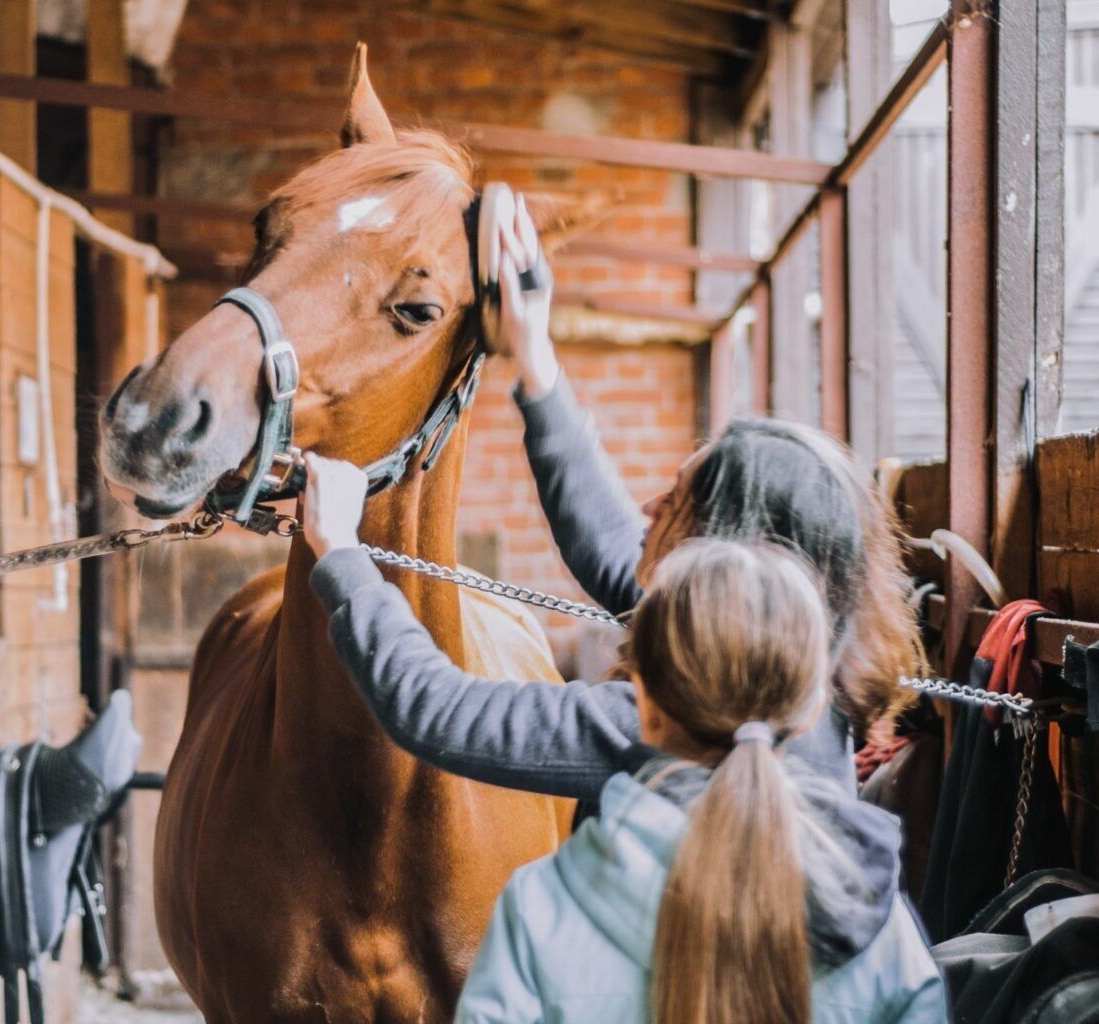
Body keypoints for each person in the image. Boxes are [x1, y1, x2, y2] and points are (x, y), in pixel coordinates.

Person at [302, 191, 923, 806]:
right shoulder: (795, 676)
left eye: (677, 503)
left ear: (731, 558)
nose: (648, 508)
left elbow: (439, 712)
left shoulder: (674, 721)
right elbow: (609, 548)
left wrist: (342, 555)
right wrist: (535, 358)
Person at [305, 504, 944, 1020]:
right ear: (810, 713)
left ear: (639, 697)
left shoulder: (540, 909)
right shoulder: (876, 917)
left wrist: (339, 549)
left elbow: (434, 704)